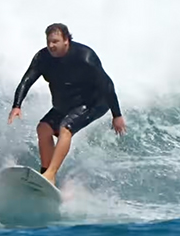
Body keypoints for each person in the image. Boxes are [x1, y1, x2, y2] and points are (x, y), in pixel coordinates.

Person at [7, 23, 127, 185]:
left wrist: (117, 115)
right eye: (49, 41)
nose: (51, 45)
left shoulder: (85, 57)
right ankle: (46, 174)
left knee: (65, 128)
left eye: (55, 41)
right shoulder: (43, 58)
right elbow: (27, 80)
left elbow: (107, 85)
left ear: (66, 41)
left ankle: (50, 174)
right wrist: (17, 105)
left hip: (93, 103)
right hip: (65, 104)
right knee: (43, 128)